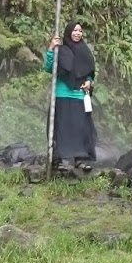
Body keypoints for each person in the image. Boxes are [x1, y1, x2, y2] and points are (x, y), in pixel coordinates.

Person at [45, 21, 97, 171]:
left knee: (81, 128)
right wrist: (51, 48)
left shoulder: (85, 51)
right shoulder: (61, 50)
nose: (77, 33)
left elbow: (90, 72)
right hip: (62, 94)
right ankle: (58, 160)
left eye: (80, 31)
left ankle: (80, 159)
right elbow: (49, 68)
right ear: (69, 32)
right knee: (60, 128)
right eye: (74, 30)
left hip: (79, 96)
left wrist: (89, 81)